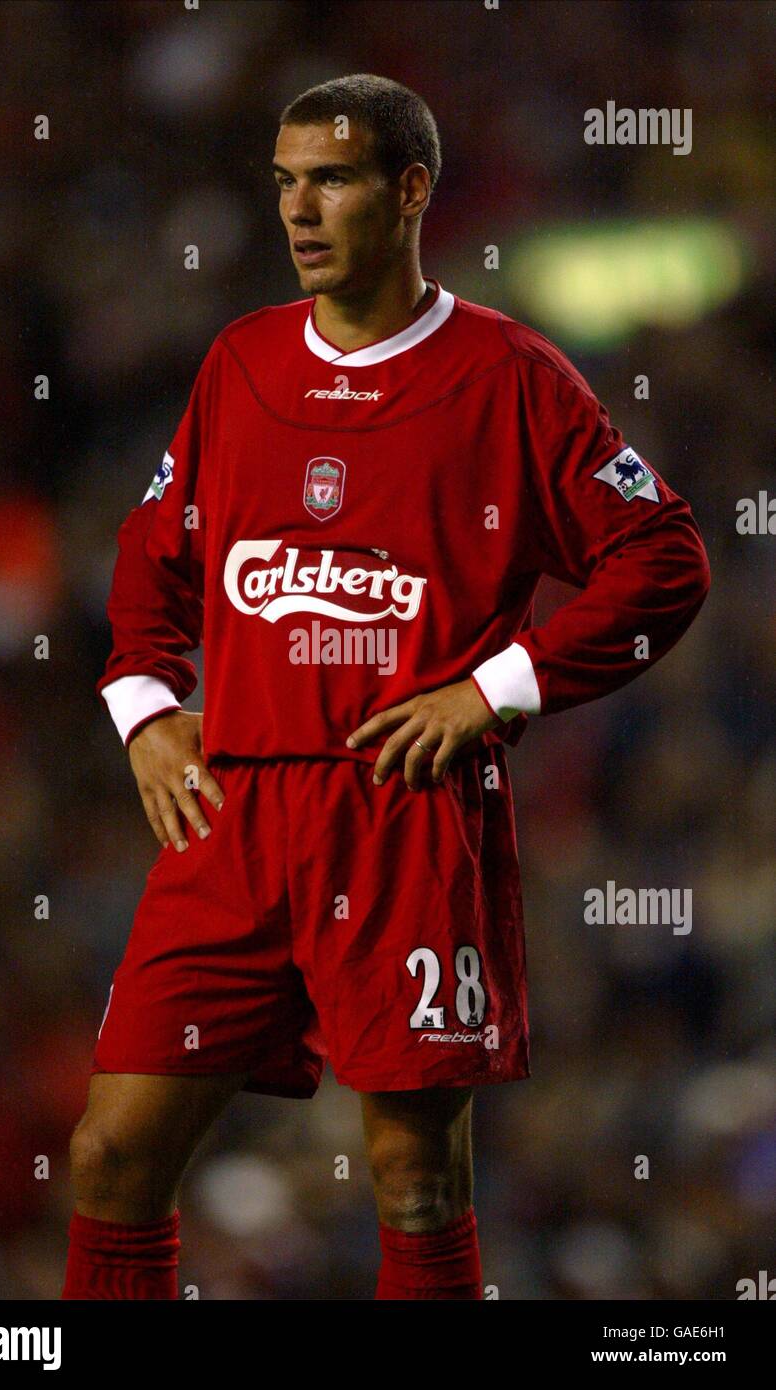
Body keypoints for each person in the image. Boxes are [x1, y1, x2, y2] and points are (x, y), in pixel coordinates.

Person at [62, 73, 710, 1301]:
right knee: (109, 1152)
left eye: (331, 179)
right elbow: (152, 556)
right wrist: (143, 705)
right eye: (283, 183)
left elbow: (663, 558)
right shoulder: (241, 361)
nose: (298, 211)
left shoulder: (509, 374)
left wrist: (496, 688)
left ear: (409, 190)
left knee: (413, 1178)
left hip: (405, 815)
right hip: (234, 814)